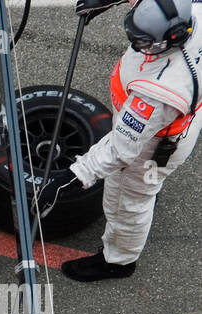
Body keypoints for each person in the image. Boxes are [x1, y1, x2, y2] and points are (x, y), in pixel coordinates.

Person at [38, 0, 202, 280]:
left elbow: (120, 149)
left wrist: (69, 177)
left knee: (127, 201)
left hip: (152, 147)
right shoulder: (189, 8)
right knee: (140, 189)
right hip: (173, 121)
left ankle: (118, 261)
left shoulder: (160, 91)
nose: (135, 42)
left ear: (168, 40)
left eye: (142, 40)